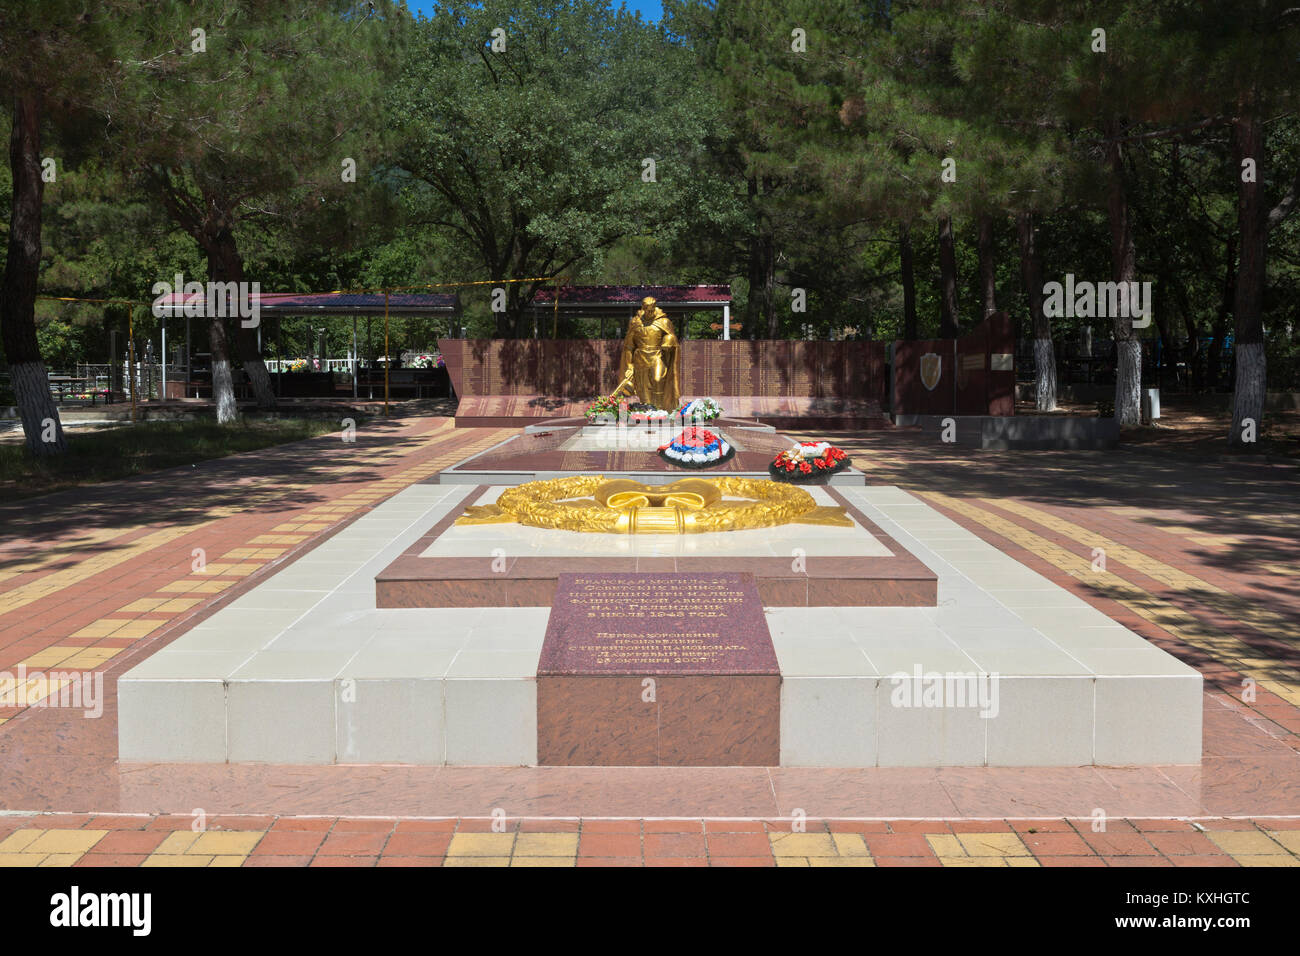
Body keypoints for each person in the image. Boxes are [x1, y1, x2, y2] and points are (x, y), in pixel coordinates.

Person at [613, 296, 680, 410]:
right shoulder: (635, 322)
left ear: (655, 308)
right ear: (643, 308)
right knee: (643, 387)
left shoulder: (664, 321)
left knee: (658, 379)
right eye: (647, 310)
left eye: (652, 310)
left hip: (658, 356)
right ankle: (647, 411)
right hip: (640, 357)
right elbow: (629, 346)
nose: (650, 313)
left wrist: (668, 340)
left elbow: (672, 337)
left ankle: (660, 410)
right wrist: (629, 365)